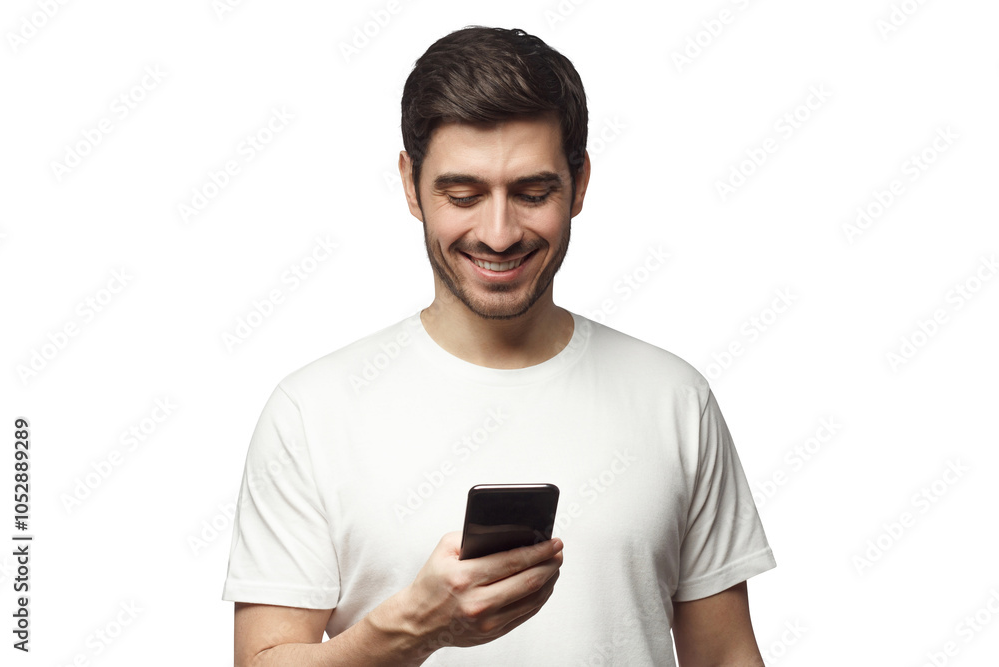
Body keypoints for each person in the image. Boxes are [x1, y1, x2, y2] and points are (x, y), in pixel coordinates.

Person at [223, 25, 776, 666]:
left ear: (580, 183)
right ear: (410, 185)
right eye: (463, 195)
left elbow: (727, 656)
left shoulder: (675, 398)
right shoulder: (310, 412)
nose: (499, 232)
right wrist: (413, 628)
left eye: (533, 193)